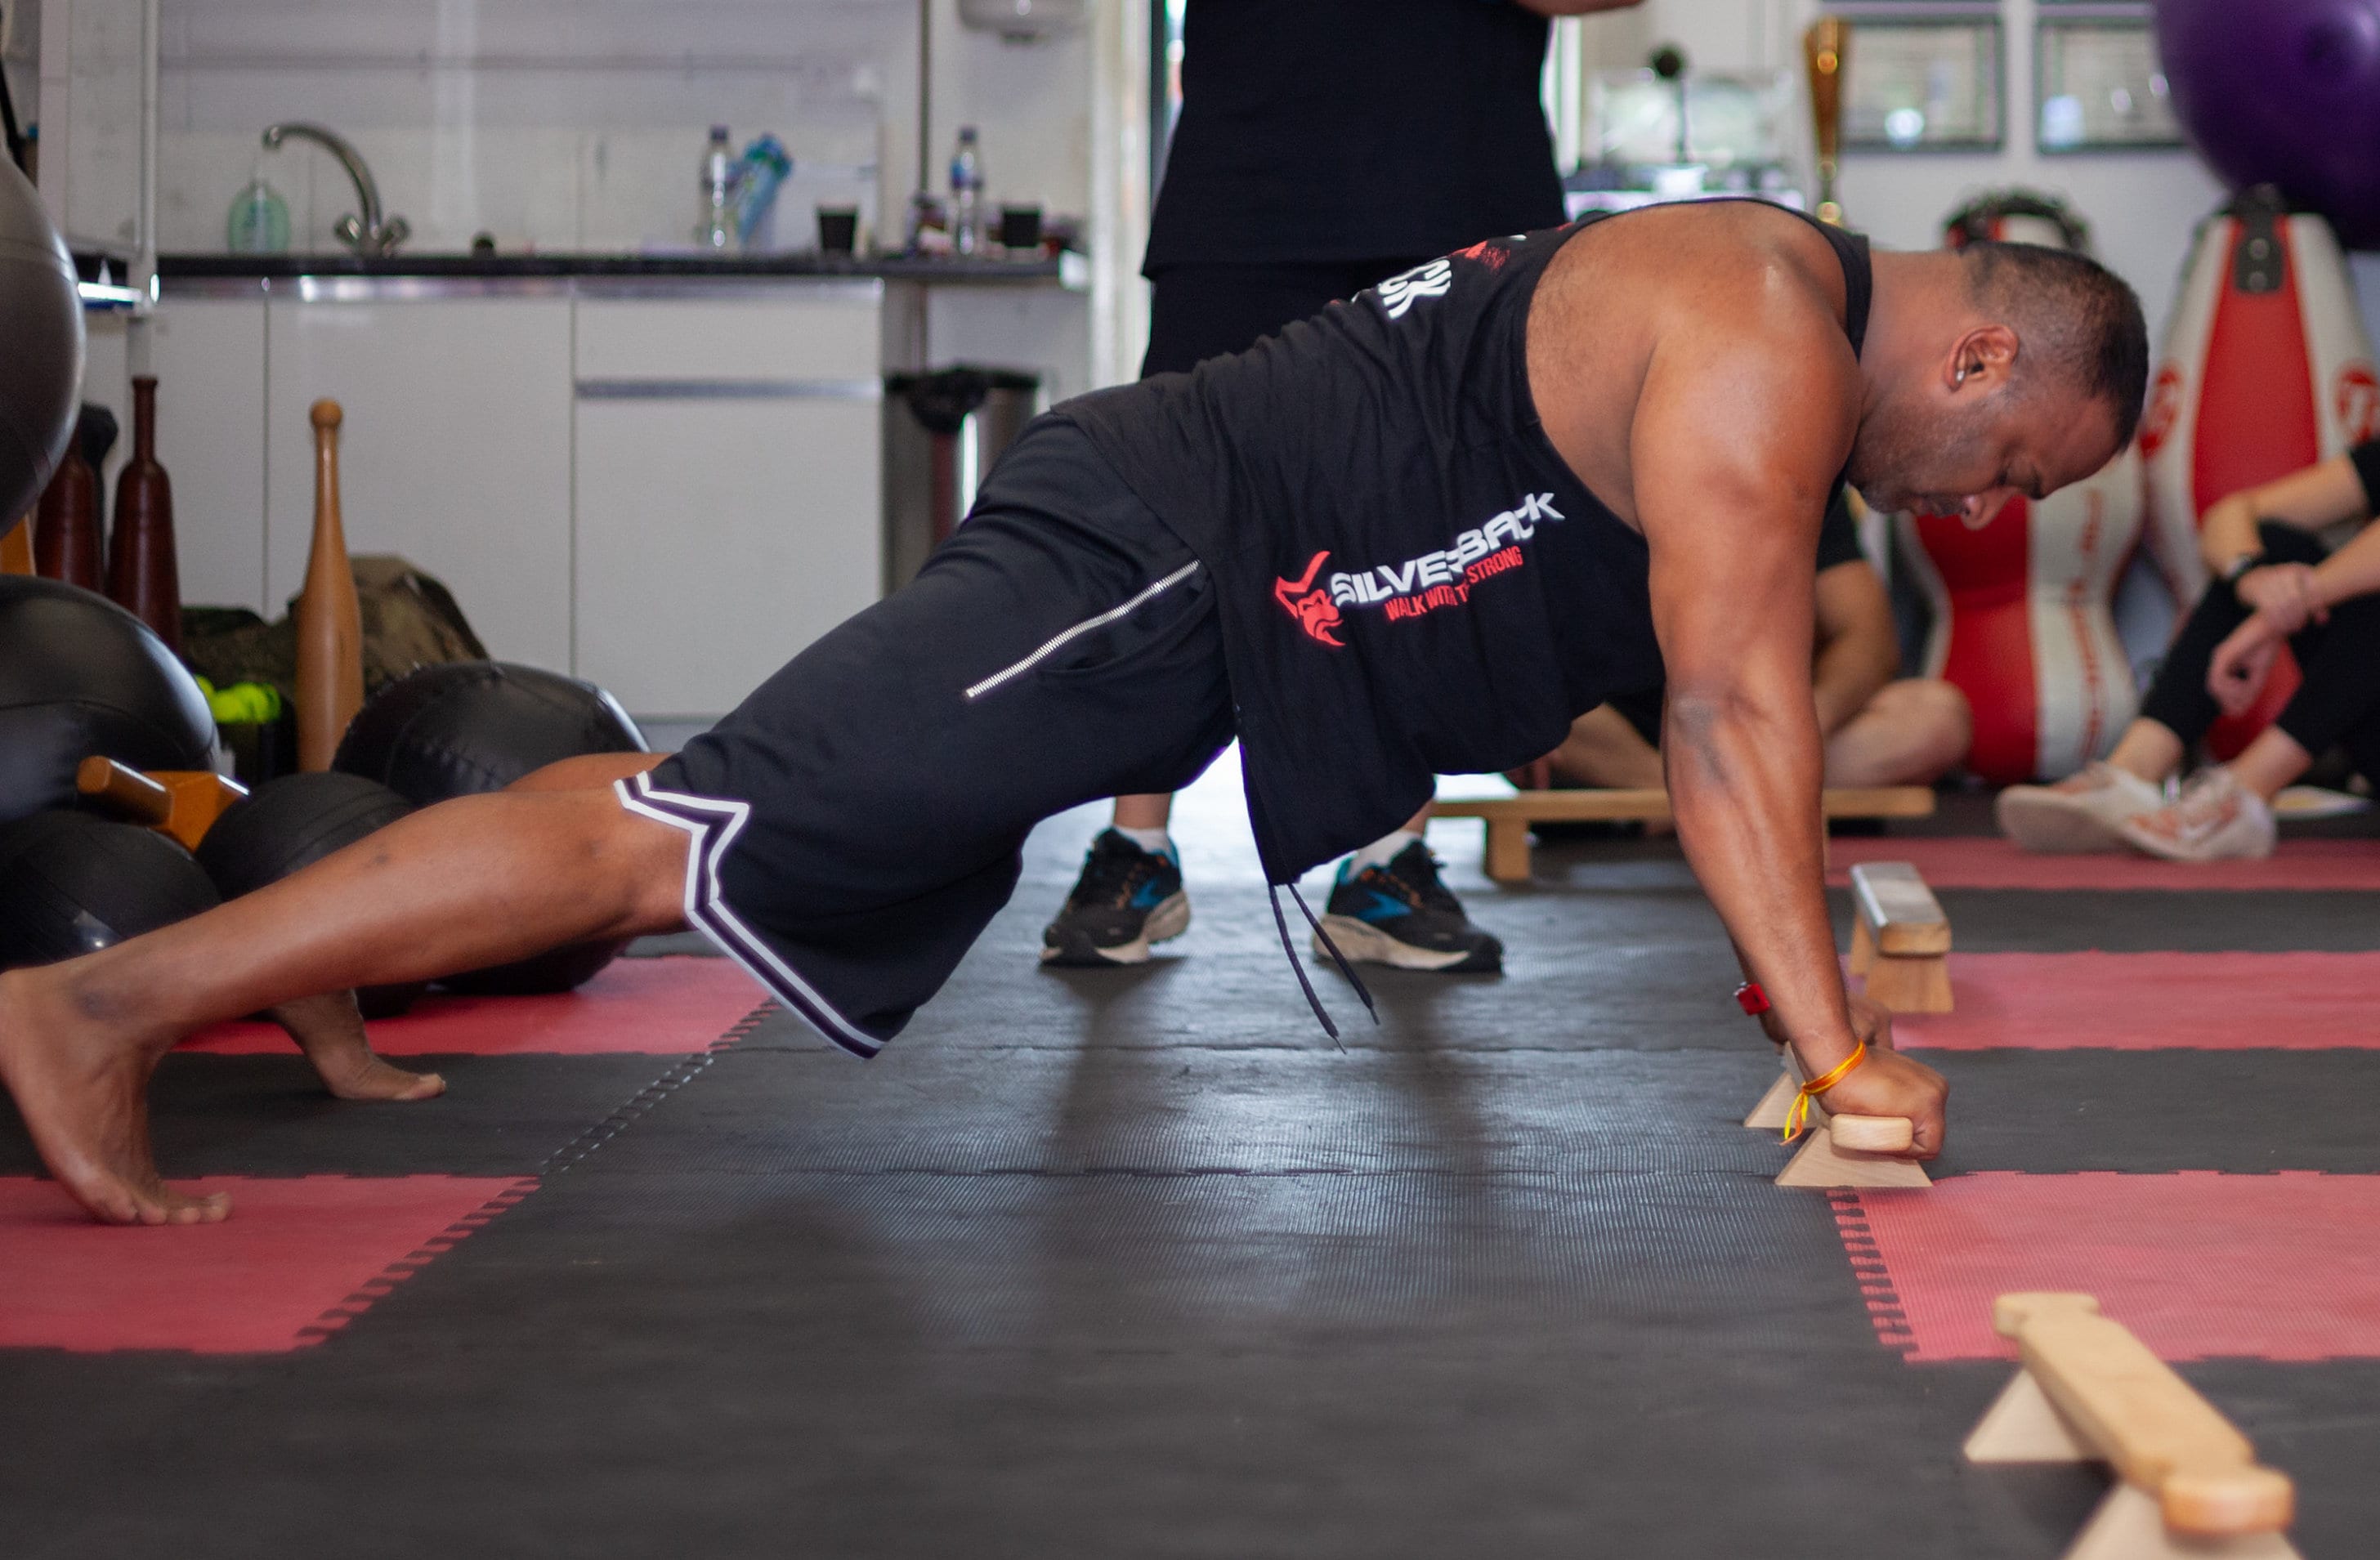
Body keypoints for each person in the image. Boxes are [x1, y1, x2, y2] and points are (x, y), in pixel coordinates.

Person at [0, 199, 2149, 1225]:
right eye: (2015, 470)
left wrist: (1795, 982)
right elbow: (1730, 714)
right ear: (1982, 361)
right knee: (677, 840)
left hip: (1187, 573)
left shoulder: (1764, 291)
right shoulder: (1769, 338)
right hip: (1158, 557)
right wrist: (1838, 1046)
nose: (1979, 512)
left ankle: (312, 955)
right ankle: (99, 1006)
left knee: (690, 804)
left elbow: (1651, 689)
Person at [1042, 0, 1647, 977]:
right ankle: (1134, 844)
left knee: (1441, 521)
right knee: (1175, 507)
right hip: (1248, 182)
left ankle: (1389, 863)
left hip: (1455, 183)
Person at [1998, 243, 2380, 858]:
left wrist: (2282, 612)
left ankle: (2245, 791)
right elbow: (2232, 515)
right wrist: (2252, 577)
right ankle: (2134, 772)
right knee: (2278, 547)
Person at [1541, 490, 1972, 792]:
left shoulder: (1800, 475)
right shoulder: (1595, 466)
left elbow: (1868, 638)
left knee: (1936, 717)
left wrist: (1804, 726)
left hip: (1757, 737)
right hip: (1614, 732)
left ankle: (1686, 802)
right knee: (1532, 704)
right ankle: (1698, 799)